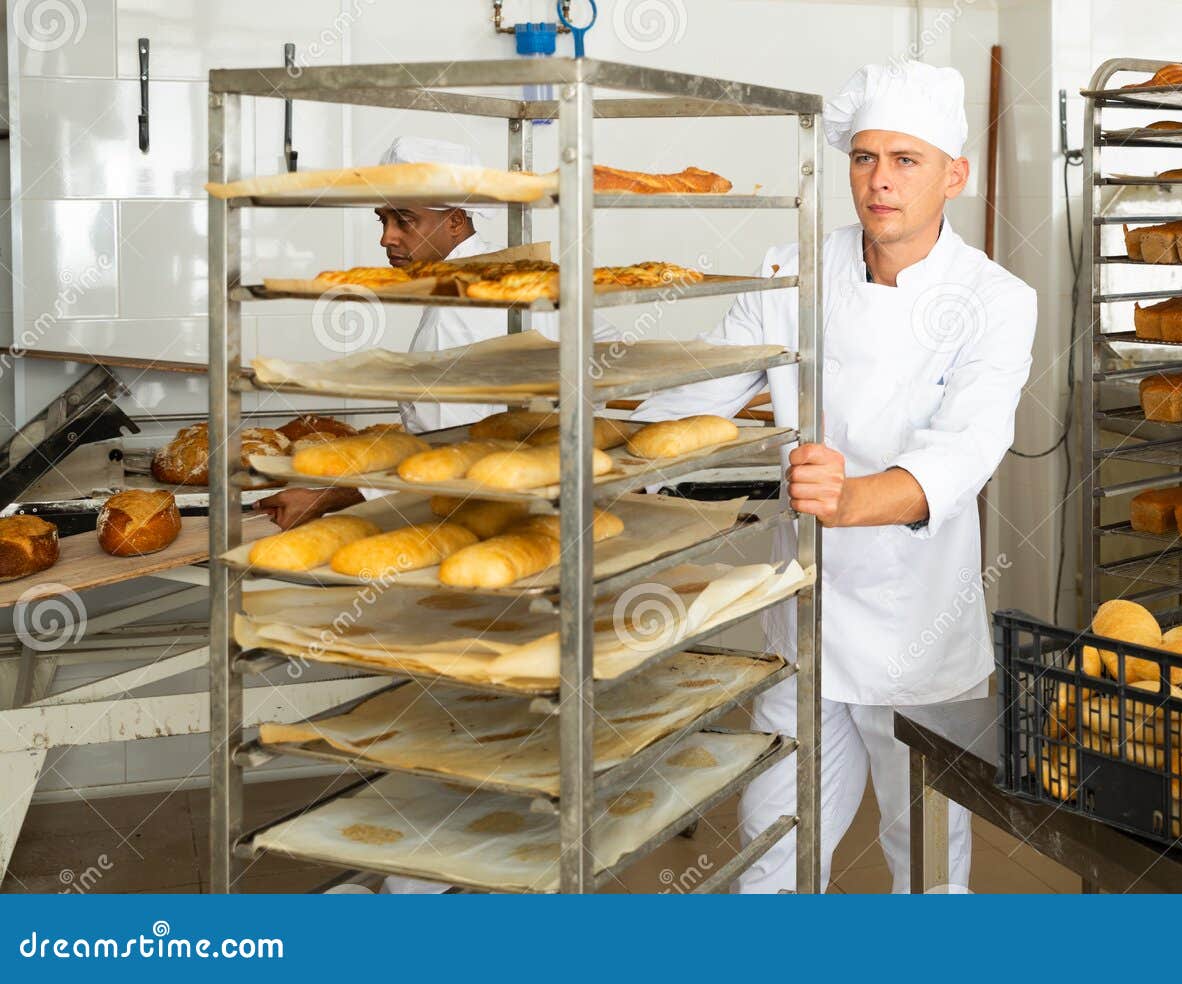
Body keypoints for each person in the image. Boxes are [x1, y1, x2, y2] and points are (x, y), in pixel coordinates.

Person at [632, 61, 1036, 892]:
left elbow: (967, 448)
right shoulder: (791, 273)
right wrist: (583, 443)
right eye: (863, 158)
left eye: (905, 161)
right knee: (768, 852)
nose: (879, 181)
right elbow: (688, 400)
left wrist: (853, 497)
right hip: (805, 626)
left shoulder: (995, 298)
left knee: (924, 864)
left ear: (954, 175)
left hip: (918, 628)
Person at [257, 136, 617, 531]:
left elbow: (449, 456)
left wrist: (327, 497)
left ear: (455, 221)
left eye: (404, 221)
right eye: (383, 220)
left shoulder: (457, 312)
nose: (386, 238)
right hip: (563, 491)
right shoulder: (519, 272)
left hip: (491, 513)